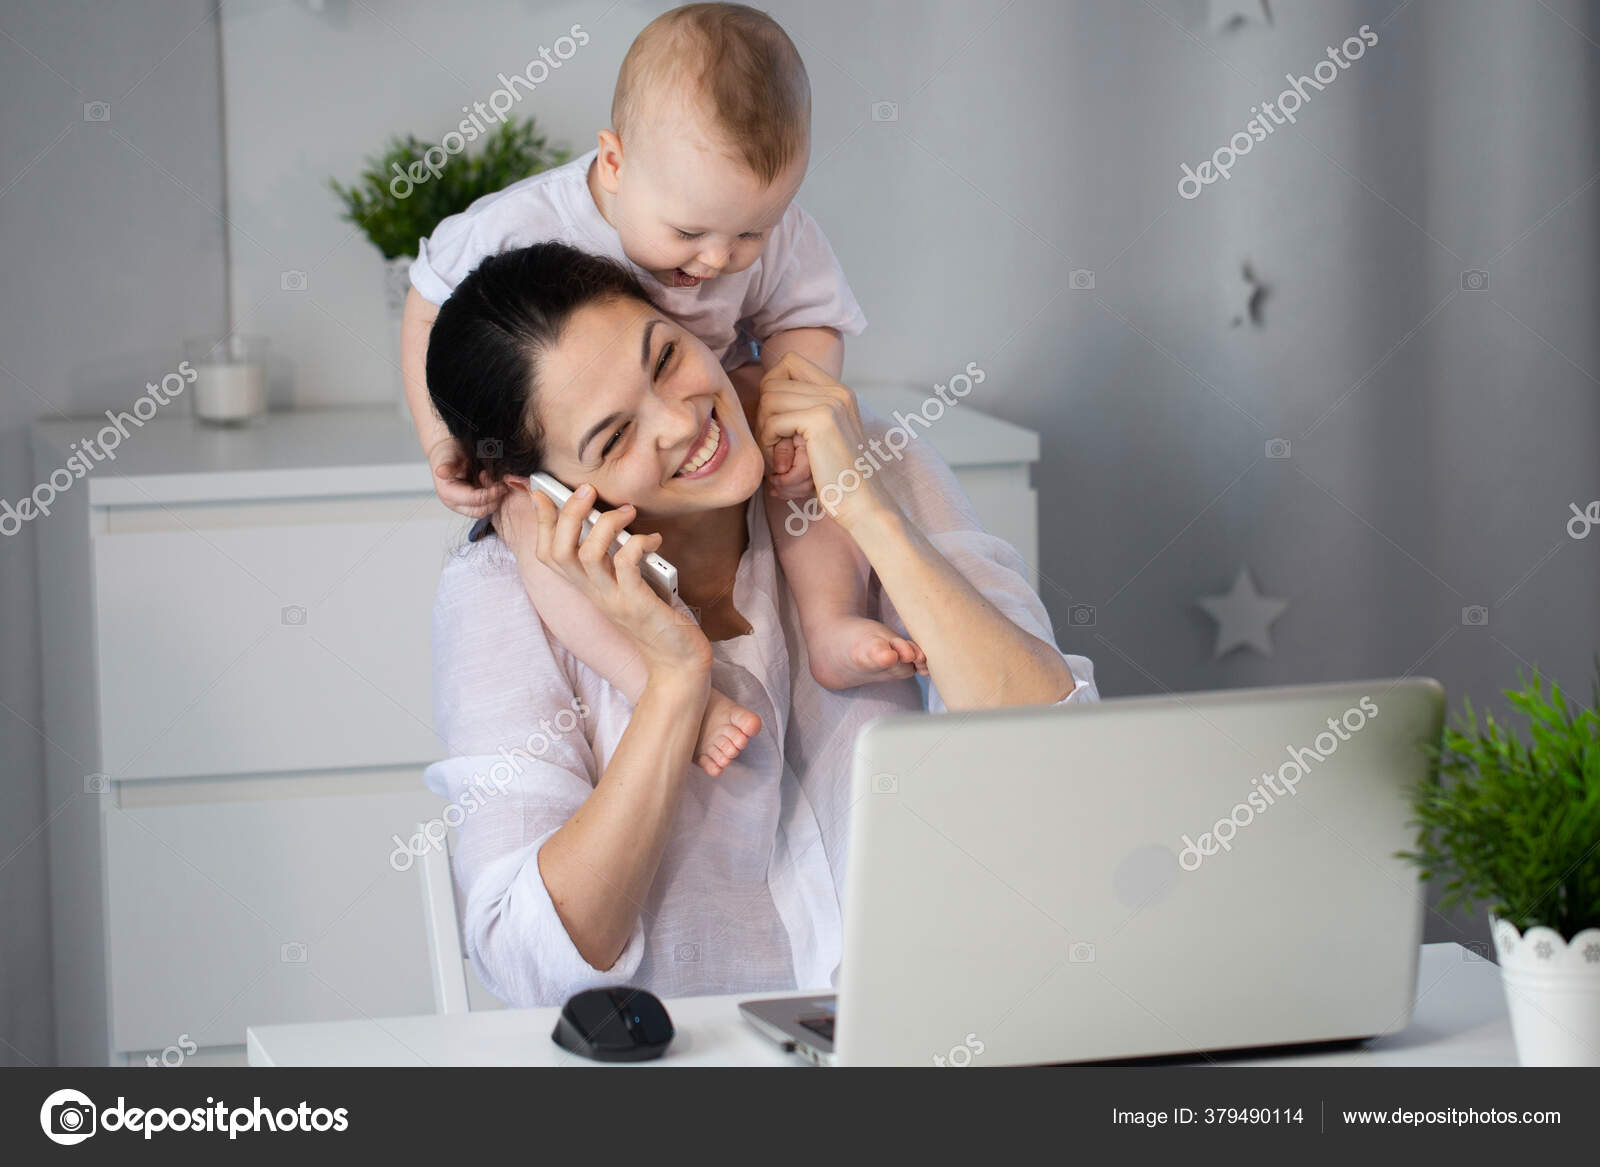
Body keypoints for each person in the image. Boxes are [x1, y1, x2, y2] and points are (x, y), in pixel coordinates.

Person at [422, 241, 1099, 1007]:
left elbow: (1059, 761)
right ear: (543, 487)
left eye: (666, 358)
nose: (681, 421)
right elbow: (529, 956)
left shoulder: (850, 444)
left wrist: (867, 508)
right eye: (614, 438)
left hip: (942, 1032)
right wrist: (676, 686)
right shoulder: (496, 597)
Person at [402, 3, 915, 776]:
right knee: (534, 522)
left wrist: (786, 408)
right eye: (689, 234)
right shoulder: (526, 222)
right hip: (586, 454)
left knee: (807, 453)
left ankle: (830, 618)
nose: (718, 259)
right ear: (613, 163)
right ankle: (659, 683)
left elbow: (810, 319)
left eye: (749, 235)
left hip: (720, 396)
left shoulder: (769, 229)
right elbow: (427, 303)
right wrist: (441, 439)